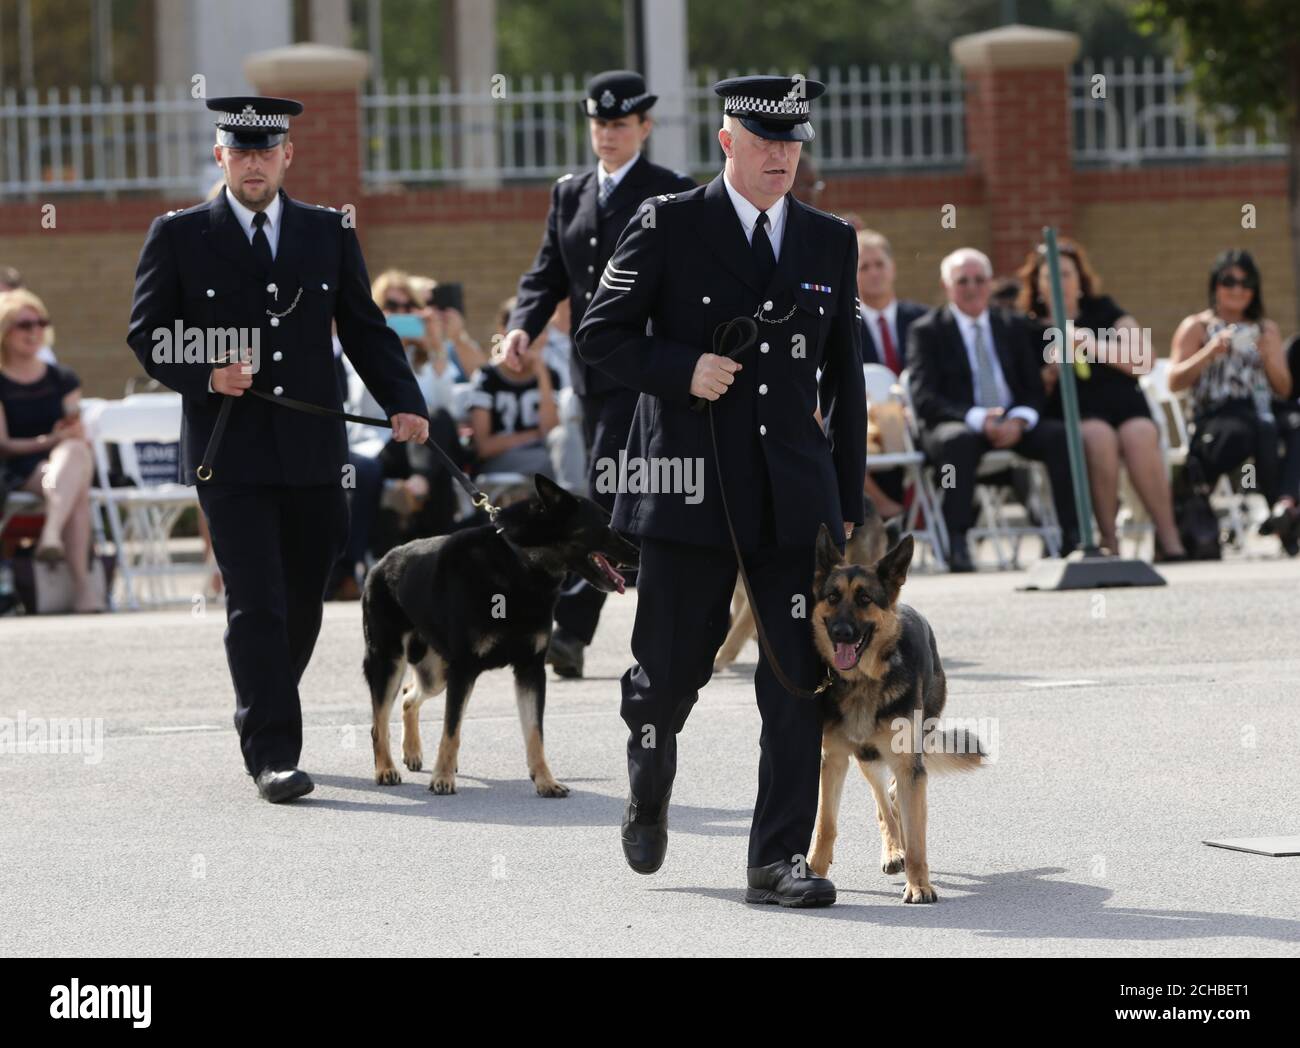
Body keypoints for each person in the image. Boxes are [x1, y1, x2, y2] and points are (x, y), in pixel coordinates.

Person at [576, 75, 865, 907]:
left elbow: (842, 377)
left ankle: (776, 860)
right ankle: (650, 773)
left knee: (796, 684)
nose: (782, 156)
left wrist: (846, 501)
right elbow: (601, 333)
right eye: (764, 140)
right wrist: (681, 369)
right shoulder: (668, 223)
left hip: (792, 500)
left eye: (793, 142)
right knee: (669, 675)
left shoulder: (827, 239)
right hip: (689, 488)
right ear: (727, 141)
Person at [126, 95, 429, 803]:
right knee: (256, 601)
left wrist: (404, 402)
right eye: (242, 151)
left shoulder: (326, 232)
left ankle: (263, 699)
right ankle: (273, 750)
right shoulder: (179, 235)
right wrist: (207, 371)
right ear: (220, 156)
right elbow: (148, 334)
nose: (254, 163)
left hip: (314, 451)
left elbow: (363, 325)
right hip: (229, 452)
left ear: (287, 156)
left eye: (267, 152)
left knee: (303, 597)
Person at [500, 70, 695, 679]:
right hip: (594, 375)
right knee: (625, 501)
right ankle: (654, 621)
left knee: (612, 500)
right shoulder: (571, 193)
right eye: (598, 124)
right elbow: (548, 273)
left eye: (618, 124)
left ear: (644, 127)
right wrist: (522, 328)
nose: (606, 135)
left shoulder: (671, 192)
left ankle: (573, 629)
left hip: (647, 375)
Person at [906, 247, 1079, 572]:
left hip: (1011, 422)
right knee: (958, 442)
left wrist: (1020, 419)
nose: (971, 287)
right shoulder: (927, 331)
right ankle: (957, 541)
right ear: (947, 286)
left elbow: (1032, 388)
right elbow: (924, 396)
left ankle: (1071, 536)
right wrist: (976, 418)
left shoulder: (1011, 326)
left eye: (979, 279)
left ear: (989, 283)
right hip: (957, 423)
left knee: (1059, 436)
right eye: (962, 281)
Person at [1017, 239, 1186, 560]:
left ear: (1080, 280)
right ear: (1037, 285)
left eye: (1066, 274)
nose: (1059, 281)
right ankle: (1109, 541)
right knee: (1100, 438)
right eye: (1050, 275)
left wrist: (1089, 343)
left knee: (1140, 434)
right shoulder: (1026, 329)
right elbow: (1027, 388)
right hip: (1076, 412)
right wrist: (1052, 370)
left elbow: (1144, 360)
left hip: (1125, 404)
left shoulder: (1105, 311)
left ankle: (1169, 537)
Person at [1169, 249, 1294, 549]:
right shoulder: (1196, 327)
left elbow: (1284, 389)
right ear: (1215, 285)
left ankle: (1284, 507)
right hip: (1215, 420)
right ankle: (1283, 510)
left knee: (1292, 425)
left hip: (1260, 412)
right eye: (1229, 281)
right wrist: (1208, 352)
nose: (1237, 289)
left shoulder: (1266, 329)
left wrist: (1266, 357)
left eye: (1245, 283)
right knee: (1260, 429)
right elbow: (1174, 381)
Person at [0, 289, 102, 612]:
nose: (34, 331)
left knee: (75, 453)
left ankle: (52, 534)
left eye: (40, 323)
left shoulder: (63, 378)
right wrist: (52, 440)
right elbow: (3, 444)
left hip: (61, 465)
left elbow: (75, 429)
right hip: (17, 466)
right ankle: (85, 592)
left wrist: (71, 435)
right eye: (24, 324)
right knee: (76, 484)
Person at [856, 228, 927, 520]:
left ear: (892, 268)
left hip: (918, 418)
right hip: (868, 426)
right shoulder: (842, 327)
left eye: (879, 264)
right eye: (864, 267)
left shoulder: (923, 320)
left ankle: (934, 516)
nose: (874, 273)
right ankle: (883, 507)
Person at [471, 298, 560, 479]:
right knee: (553, 462)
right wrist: (534, 435)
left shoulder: (551, 375)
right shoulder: (486, 377)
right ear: (504, 332)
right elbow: (484, 447)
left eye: (541, 330)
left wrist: (541, 374)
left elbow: (552, 432)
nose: (536, 337)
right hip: (498, 462)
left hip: (542, 456)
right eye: (529, 331)